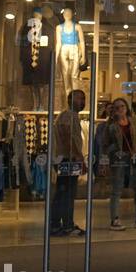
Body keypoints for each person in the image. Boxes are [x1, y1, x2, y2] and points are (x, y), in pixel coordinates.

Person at [98, 98, 136, 230]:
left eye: (122, 106)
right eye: (117, 107)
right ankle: (114, 219)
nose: (120, 109)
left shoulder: (134, 121)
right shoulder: (110, 125)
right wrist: (104, 162)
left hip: (135, 158)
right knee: (117, 189)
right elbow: (104, 145)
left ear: (127, 107)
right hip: (119, 159)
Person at [51, 89, 86, 237]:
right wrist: (78, 157)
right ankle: (63, 225)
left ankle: (64, 223)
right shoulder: (67, 116)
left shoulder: (72, 116)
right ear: (70, 100)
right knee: (65, 193)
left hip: (69, 158)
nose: (82, 102)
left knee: (67, 192)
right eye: (79, 98)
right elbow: (66, 138)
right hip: (68, 159)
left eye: (83, 99)